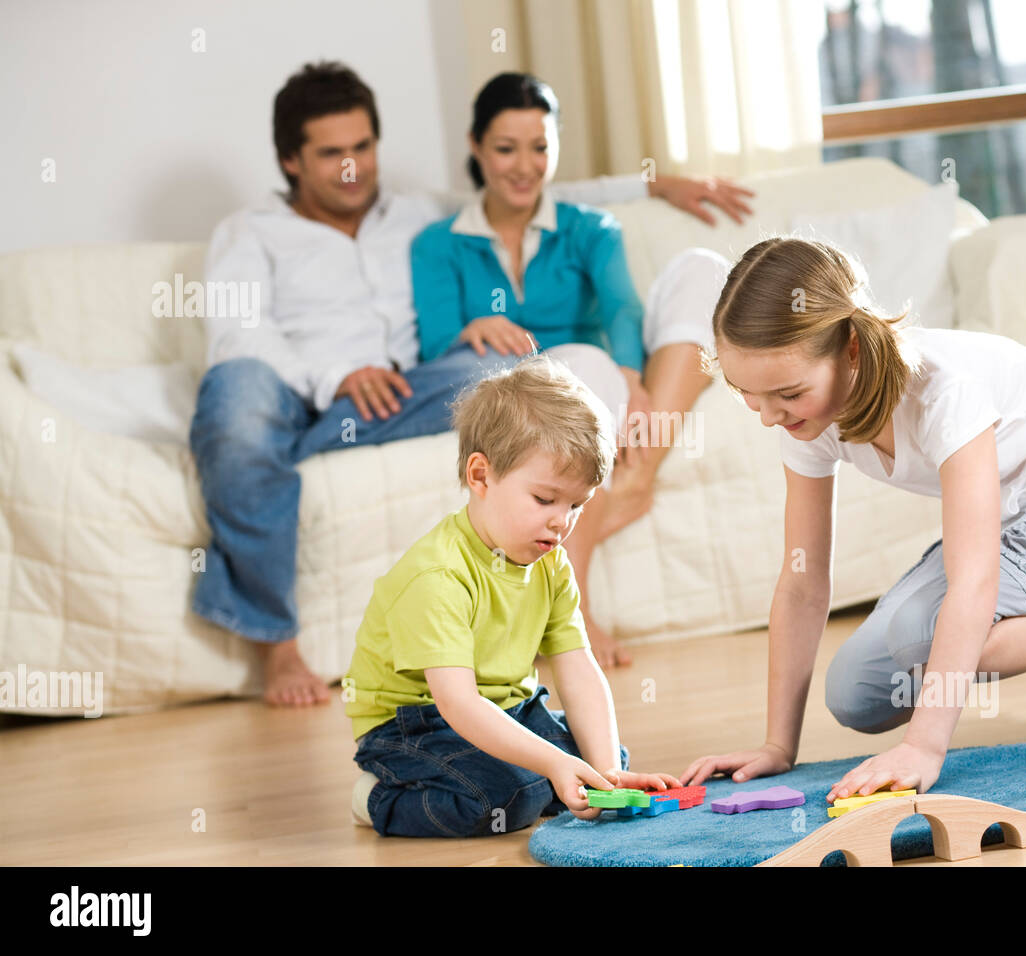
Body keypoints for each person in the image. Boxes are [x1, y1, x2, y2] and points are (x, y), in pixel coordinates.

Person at [190, 62, 756, 707]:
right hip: (299, 396)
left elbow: (530, 182)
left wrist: (658, 182)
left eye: (363, 148)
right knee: (234, 400)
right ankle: (278, 646)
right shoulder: (249, 232)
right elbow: (240, 334)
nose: (352, 168)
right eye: (330, 154)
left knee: (541, 369)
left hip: (411, 394)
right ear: (291, 160)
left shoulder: (416, 212)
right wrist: (336, 376)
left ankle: (608, 508)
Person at [680, 237, 1026, 803]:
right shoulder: (801, 420)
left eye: (786, 393)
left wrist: (924, 747)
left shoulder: (941, 389)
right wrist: (777, 746)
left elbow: (974, 583)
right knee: (854, 691)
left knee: (920, 635)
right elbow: (803, 584)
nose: (769, 416)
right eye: (748, 395)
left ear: (851, 348)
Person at [411, 72, 738, 669]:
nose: (524, 166)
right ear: (476, 147)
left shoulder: (590, 227)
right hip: (545, 386)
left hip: (610, 379)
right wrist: (469, 331)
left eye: (540, 148)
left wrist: (632, 374)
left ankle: (636, 479)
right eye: (505, 149)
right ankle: (574, 615)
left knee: (705, 269)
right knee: (583, 367)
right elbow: (434, 340)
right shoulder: (437, 243)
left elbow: (620, 307)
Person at [345, 357, 680, 836]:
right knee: (507, 796)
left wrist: (607, 772)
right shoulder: (438, 575)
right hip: (415, 723)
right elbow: (458, 704)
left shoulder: (550, 563)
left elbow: (577, 665)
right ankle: (377, 797)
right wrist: (551, 765)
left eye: (576, 505)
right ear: (480, 476)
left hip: (506, 705)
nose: (561, 521)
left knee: (601, 760)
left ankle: (552, 777)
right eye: (545, 500)